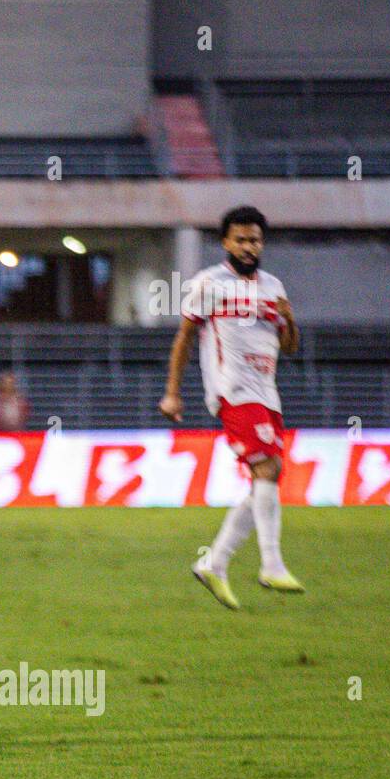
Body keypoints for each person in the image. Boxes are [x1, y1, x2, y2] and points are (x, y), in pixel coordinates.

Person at [160, 204, 305, 609]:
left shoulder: (273, 287)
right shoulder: (208, 283)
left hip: (266, 394)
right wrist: (172, 392)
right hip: (232, 391)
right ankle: (271, 564)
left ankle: (215, 563)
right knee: (267, 469)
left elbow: (289, 347)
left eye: (254, 239)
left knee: (266, 477)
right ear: (225, 242)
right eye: (239, 239)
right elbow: (184, 339)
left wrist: (290, 321)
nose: (247, 246)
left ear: (262, 243)